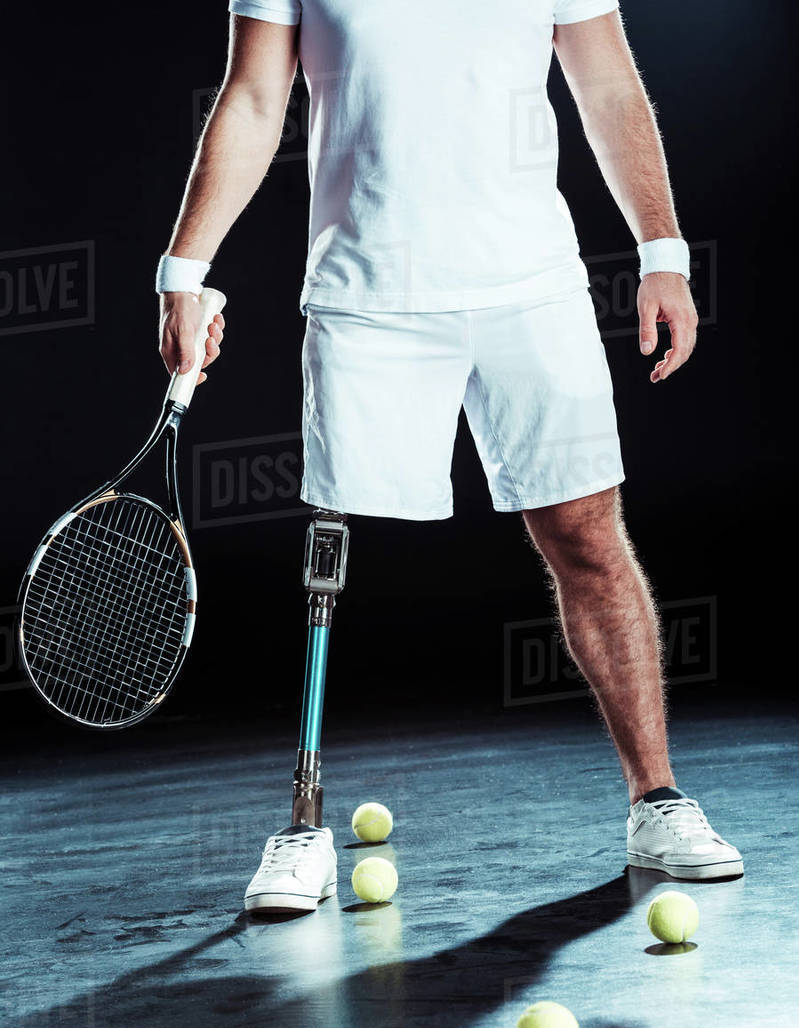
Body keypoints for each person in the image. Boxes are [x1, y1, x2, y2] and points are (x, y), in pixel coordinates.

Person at [157, 2, 743, 913]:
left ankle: (656, 800)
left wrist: (661, 250)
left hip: (532, 286)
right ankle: (304, 825)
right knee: (329, 554)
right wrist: (184, 272)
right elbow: (254, 92)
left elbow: (605, 81)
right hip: (366, 288)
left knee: (588, 532)